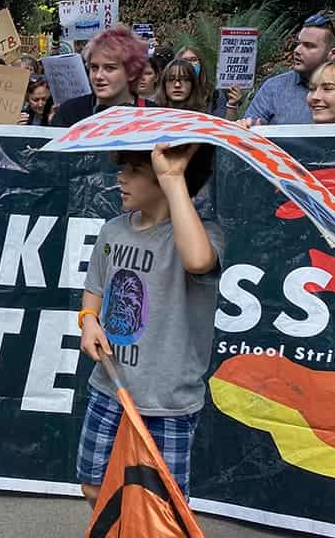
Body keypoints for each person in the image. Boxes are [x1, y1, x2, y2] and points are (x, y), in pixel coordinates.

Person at [77, 142, 223, 505]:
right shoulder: (113, 230)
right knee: (94, 485)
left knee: (163, 504)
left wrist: (173, 178)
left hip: (167, 400)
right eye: (122, 168)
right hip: (109, 386)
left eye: (134, 171)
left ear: (164, 177)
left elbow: (198, 261)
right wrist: (89, 321)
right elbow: (95, 287)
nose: (120, 179)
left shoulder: (204, 235)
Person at [243, 11, 335, 125]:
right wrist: (249, 127)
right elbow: (248, 132)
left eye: (309, 46)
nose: (297, 50)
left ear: (333, 54)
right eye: (299, 43)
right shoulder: (274, 88)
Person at [52, 26, 153, 128]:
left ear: (132, 72)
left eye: (109, 68)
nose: (98, 76)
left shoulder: (153, 115)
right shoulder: (69, 113)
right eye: (94, 68)